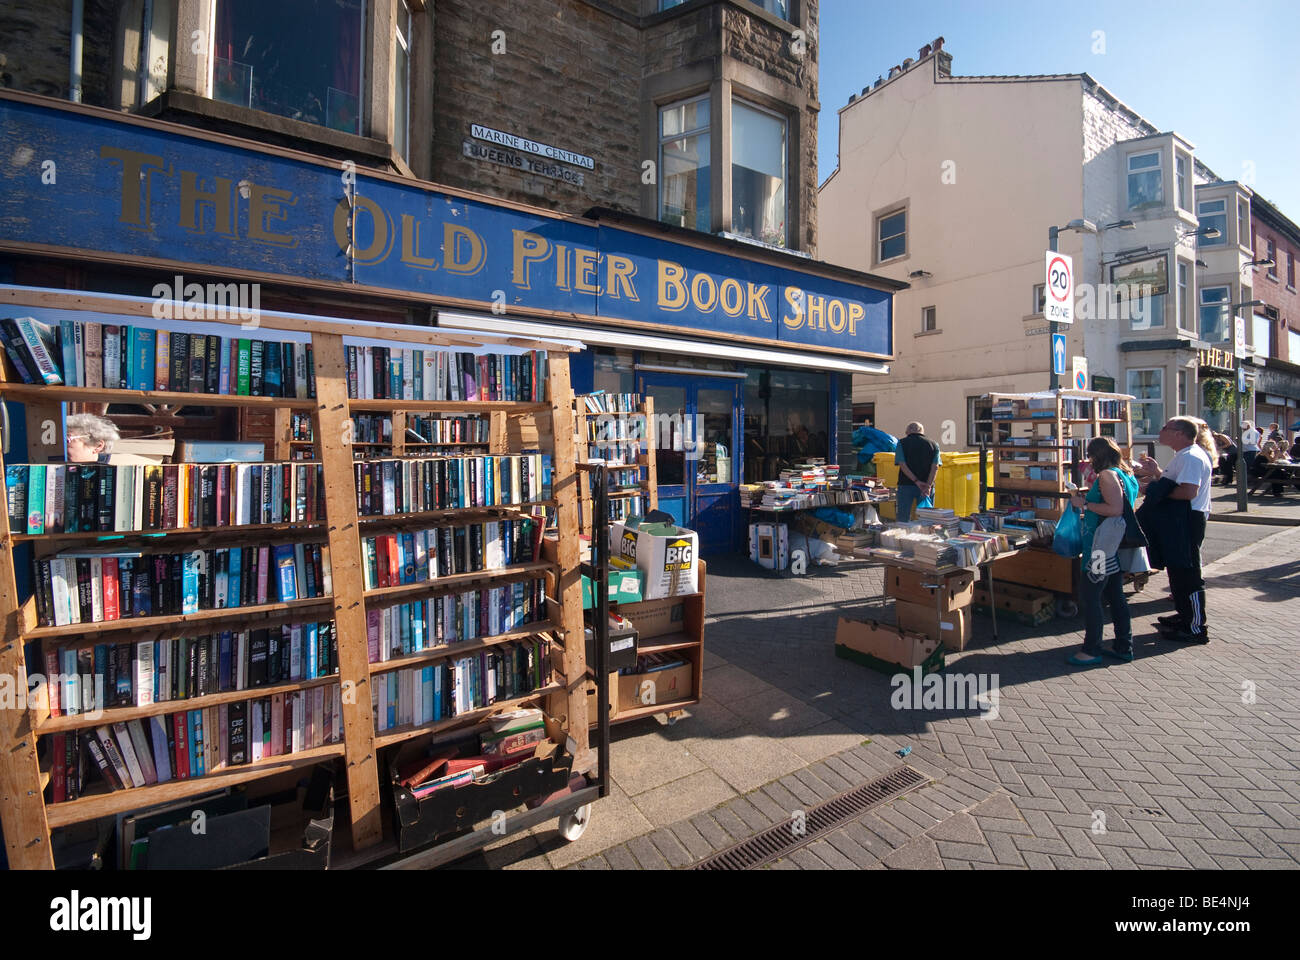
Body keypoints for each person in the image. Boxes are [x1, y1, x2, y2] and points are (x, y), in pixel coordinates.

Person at [1135, 417, 1214, 644]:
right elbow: (1176, 484)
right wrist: (1159, 474)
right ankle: (1184, 616)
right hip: (1180, 520)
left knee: (1188, 573)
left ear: (1179, 433)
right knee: (1178, 571)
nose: (1161, 430)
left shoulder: (1191, 456)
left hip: (1187, 520)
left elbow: (1188, 492)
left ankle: (1196, 627)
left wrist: (1157, 489)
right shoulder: (1184, 455)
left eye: (1165, 427)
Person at [1066, 437, 1140, 666]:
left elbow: (1115, 509)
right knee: (1115, 595)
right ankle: (1123, 645)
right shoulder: (1124, 473)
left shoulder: (1107, 475)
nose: (1089, 461)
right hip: (1112, 546)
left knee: (1090, 596)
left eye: (1090, 456)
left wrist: (1084, 505)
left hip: (1100, 547)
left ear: (1096, 455)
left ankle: (1091, 649)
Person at [894, 421, 941, 522]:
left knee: (903, 517)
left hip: (906, 485)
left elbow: (902, 464)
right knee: (926, 518)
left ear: (908, 431)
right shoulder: (934, 444)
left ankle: (902, 536)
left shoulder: (902, 443)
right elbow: (935, 467)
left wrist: (916, 481)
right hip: (926, 486)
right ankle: (925, 536)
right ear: (922, 431)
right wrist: (928, 486)